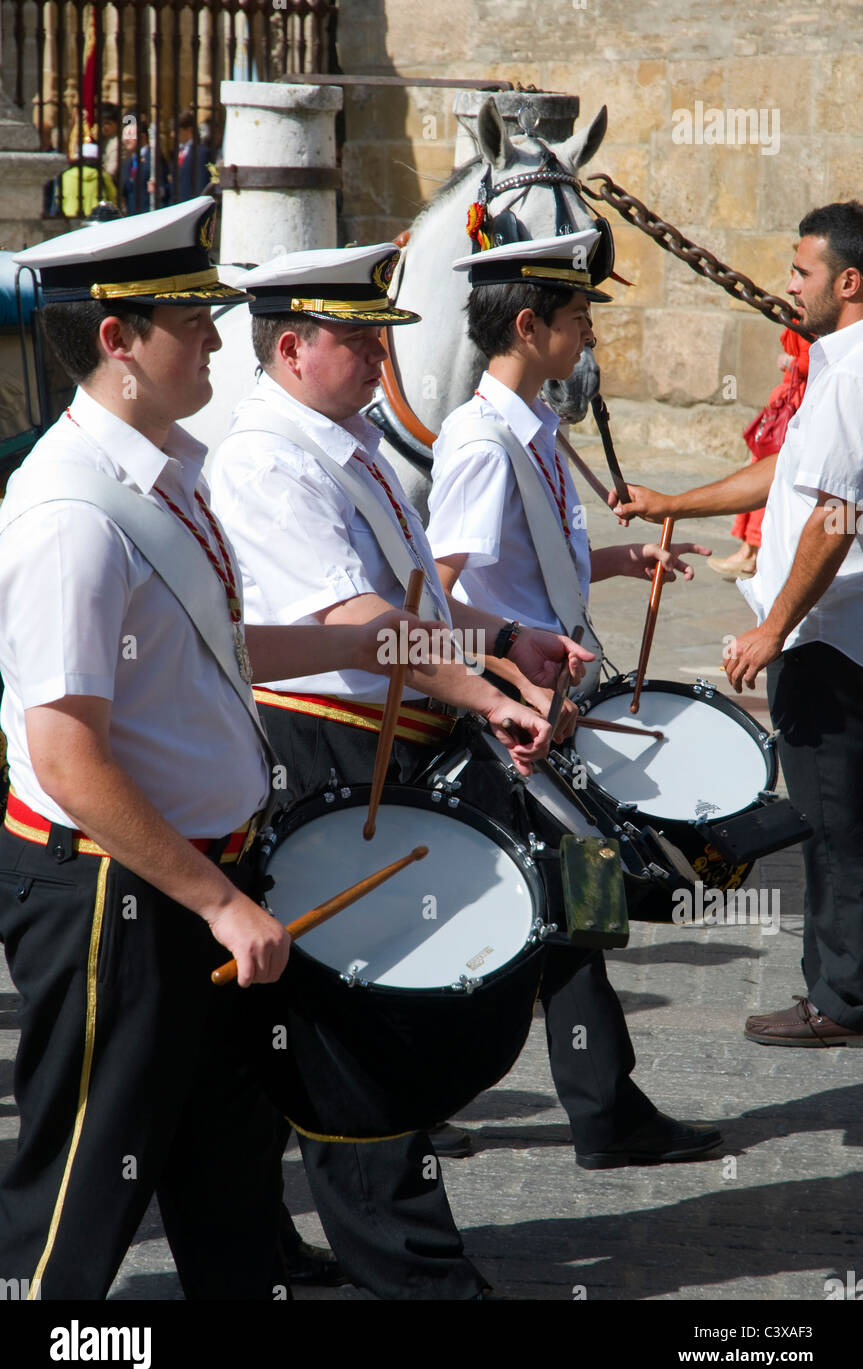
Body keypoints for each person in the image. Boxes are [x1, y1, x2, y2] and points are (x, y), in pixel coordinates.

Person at [0, 198, 435, 1300]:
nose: (212, 339)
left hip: (198, 873)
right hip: (123, 893)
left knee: (229, 1177)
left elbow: (220, 649)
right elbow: (67, 756)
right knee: (81, 1190)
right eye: (190, 319)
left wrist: (411, 644)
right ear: (116, 340)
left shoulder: (165, 467)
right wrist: (218, 903)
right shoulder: (70, 513)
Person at [210, 243, 587, 1300]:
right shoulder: (267, 458)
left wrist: (504, 636)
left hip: (380, 746)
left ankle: (247, 1245)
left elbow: (415, 603)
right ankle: (418, 1278)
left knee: (282, 1026)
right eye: (358, 338)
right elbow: (360, 627)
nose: (382, 356)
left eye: (383, 336)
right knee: (357, 1021)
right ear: (290, 347)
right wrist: (491, 694)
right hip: (318, 748)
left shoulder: (349, 440)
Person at [425, 229, 721, 1169]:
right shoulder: (481, 442)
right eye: (579, 315)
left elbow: (527, 564)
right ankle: (420, 1090)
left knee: (574, 912)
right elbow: (443, 589)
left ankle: (601, 1109)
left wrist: (621, 560)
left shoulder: (532, 426)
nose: (590, 331)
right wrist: (512, 673)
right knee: (542, 909)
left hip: (544, 700)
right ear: (529, 325)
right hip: (507, 713)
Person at [612, 201, 863, 1048]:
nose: (788, 285)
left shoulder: (853, 376)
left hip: (827, 645)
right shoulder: (838, 368)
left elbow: (833, 519)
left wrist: (772, 629)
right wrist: (670, 503)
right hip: (829, 639)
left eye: (801, 272)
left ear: (848, 282)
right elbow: (785, 475)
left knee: (832, 829)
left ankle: (841, 1001)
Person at [708, 327, 810, 580]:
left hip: (794, 407)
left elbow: (813, 361)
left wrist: (789, 361)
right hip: (787, 404)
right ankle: (748, 550)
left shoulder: (819, 316)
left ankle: (751, 553)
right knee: (759, 473)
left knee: (767, 479)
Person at [174, 109, 212, 203]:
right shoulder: (178, 152)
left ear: (189, 130)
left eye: (177, 131)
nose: (172, 135)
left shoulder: (201, 152)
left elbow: (202, 186)